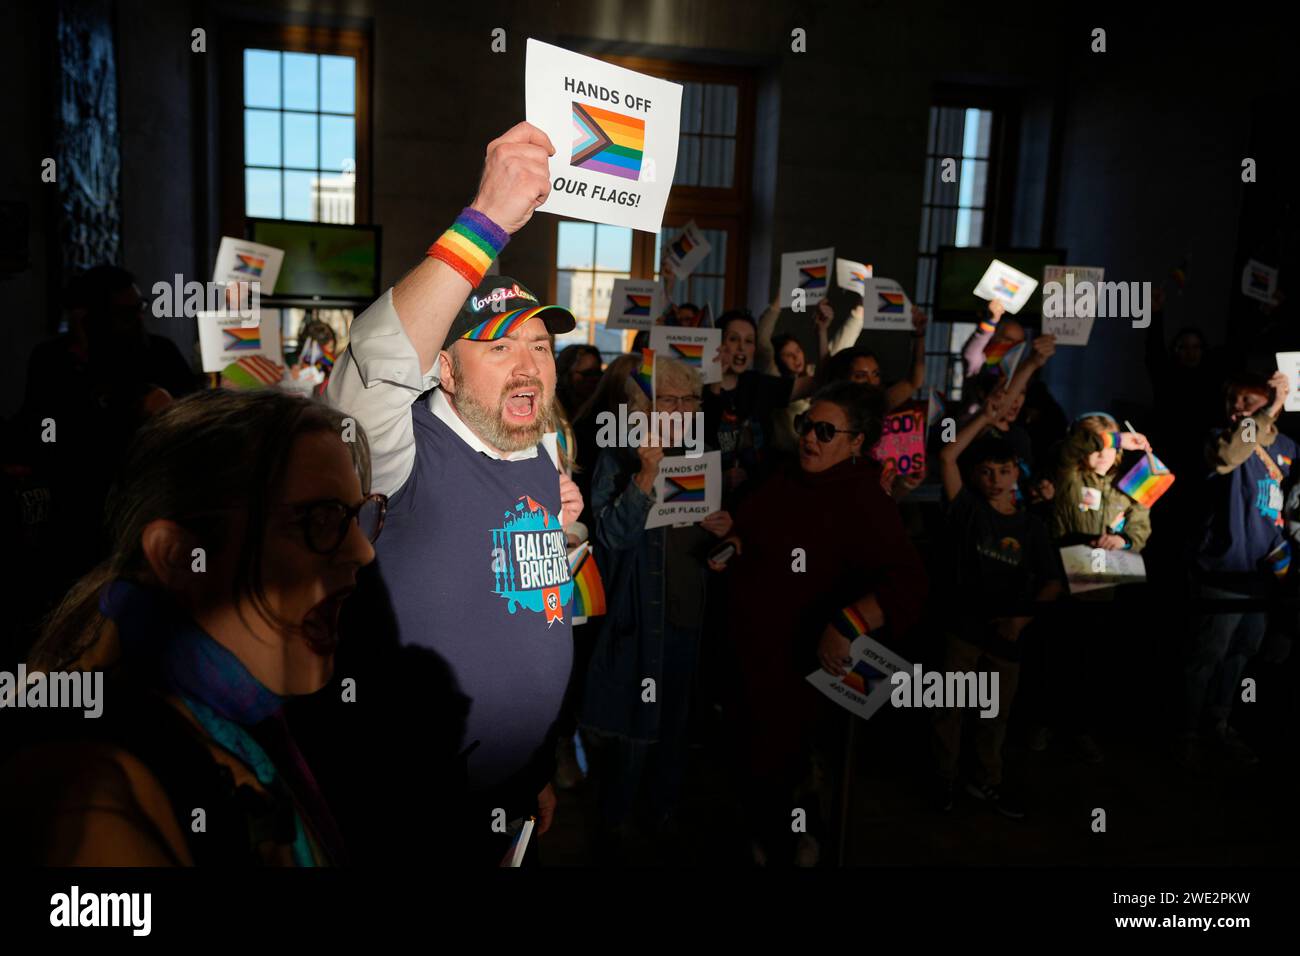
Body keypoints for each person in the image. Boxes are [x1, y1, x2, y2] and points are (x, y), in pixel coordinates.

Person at [324, 122, 585, 864]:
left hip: (512, 791)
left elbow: (529, 602)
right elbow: (369, 369)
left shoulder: (542, 449)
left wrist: (535, 763)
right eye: (499, 346)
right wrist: (488, 219)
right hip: (410, 807)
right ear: (444, 369)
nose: (529, 364)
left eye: (540, 344)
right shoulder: (401, 453)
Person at [0, 389, 380, 865]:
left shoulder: (238, 718)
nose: (363, 552)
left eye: (357, 515)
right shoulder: (87, 791)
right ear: (178, 556)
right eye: (320, 520)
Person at [709, 381, 927, 864]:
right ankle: (767, 840)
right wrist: (733, 545)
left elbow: (908, 583)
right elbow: (752, 529)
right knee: (754, 769)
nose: (811, 437)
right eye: (809, 426)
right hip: (752, 660)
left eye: (826, 431)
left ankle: (793, 843)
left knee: (795, 773)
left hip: (807, 673)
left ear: (855, 443)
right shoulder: (782, 476)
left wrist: (849, 624)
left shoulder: (867, 499)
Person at [580, 357, 731, 862]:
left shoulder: (701, 454)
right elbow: (610, 539)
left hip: (687, 611)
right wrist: (646, 473)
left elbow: (703, 535)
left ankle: (660, 815)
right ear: (643, 406)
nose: (683, 409)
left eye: (690, 400)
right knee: (632, 729)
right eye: (670, 399)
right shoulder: (618, 456)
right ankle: (614, 823)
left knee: (674, 726)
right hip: (635, 617)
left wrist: (723, 532)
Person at [932, 389, 1064, 818]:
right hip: (963, 628)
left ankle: (985, 781)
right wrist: (982, 418)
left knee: (994, 717)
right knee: (949, 711)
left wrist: (1021, 620)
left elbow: (1052, 582)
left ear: (1016, 473)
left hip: (1007, 636)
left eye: (1002, 470)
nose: (993, 478)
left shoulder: (1031, 526)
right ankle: (943, 782)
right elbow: (948, 457)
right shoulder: (969, 510)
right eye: (985, 471)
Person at [1183, 370, 1295, 769]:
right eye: (1233, 402)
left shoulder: (1287, 447)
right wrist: (1264, 414)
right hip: (1224, 572)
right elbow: (1231, 456)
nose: (1237, 410)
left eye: (1247, 402)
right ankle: (1188, 731)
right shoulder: (1221, 439)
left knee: (1243, 654)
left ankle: (1221, 722)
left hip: (1263, 576)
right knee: (1207, 654)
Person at [1035, 413, 1152, 764]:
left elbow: (1142, 526)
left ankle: (1081, 730)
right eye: (1096, 442)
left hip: (1104, 583)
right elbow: (1070, 451)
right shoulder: (1069, 476)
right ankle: (1042, 722)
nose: (1102, 451)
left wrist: (1124, 540)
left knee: (1091, 661)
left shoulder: (1130, 484)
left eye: (1109, 443)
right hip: (1062, 578)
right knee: (1054, 655)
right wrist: (1114, 439)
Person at [704, 309, 818, 505]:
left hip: (758, 501)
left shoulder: (757, 384)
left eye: (749, 341)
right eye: (733, 339)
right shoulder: (696, 389)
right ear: (719, 344)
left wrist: (821, 332)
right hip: (709, 502)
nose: (741, 347)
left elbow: (820, 382)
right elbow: (700, 440)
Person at [556, 343, 603, 420]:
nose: (595, 378)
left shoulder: (601, 409)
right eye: (587, 373)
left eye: (597, 372)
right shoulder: (552, 411)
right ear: (565, 374)